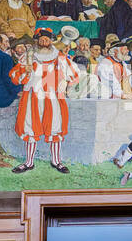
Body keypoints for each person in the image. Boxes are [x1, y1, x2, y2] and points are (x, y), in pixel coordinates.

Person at [9, 28, 79, 174]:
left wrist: (64, 83)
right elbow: (15, 75)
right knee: (30, 127)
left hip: (52, 96)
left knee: (55, 126)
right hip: (32, 97)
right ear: (37, 41)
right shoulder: (28, 56)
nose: (44, 42)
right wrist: (25, 71)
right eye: (41, 40)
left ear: (50, 41)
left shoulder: (58, 56)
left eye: (46, 40)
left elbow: (73, 74)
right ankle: (28, 162)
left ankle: (56, 161)